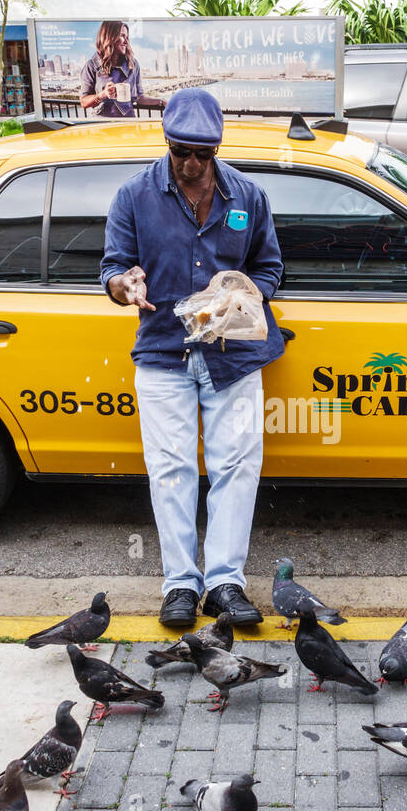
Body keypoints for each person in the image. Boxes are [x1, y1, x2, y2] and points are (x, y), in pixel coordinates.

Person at [100, 88, 284, 627]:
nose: (191, 164)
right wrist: (124, 286)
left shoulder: (248, 196)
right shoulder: (133, 196)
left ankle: (225, 584)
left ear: (217, 149)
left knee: (237, 468)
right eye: (181, 151)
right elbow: (113, 268)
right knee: (170, 470)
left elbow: (270, 268)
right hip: (163, 352)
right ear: (167, 142)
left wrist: (241, 296)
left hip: (233, 355)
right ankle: (180, 585)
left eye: (203, 154)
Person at [79, 20, 165, 117]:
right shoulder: (91, 66)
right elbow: (83, 102)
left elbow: (140, 98)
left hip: (129, 122)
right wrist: (103, 94)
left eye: (127, 37)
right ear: (109, 37)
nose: (126, 42)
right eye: (122, 36)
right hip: (102, 124)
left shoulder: (133, 64)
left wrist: (161, 101)